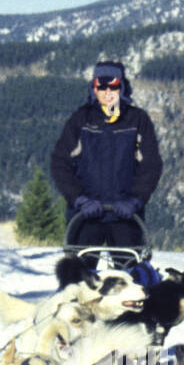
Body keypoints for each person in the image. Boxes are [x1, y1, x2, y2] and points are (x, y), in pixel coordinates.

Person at [50, 60, 162, 260]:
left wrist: (135, 200)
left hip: (125, 217)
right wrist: (78, 199)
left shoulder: (137, 120)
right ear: (94, 88)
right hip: (85, 216)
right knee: (78, 275)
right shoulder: (81, 120)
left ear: (122, 88)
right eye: (102, 87)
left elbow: (150, 165)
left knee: (129, 273)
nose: (108, 92)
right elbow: (60, 163)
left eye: (114, 86)